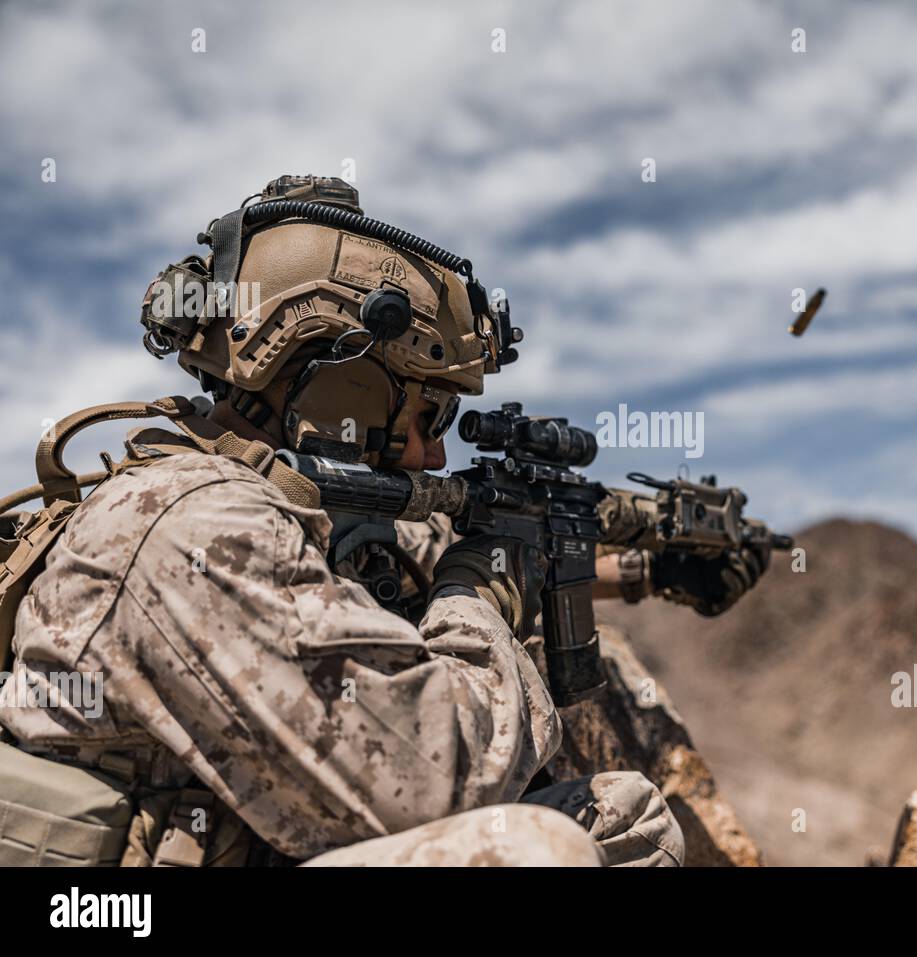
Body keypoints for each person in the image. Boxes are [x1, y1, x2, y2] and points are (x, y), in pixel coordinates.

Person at [0, 176, 765, 867]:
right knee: (540, 851)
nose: (435, 451)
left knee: (625, 822)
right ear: (346, 384)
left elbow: (439, 555)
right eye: (429, 411)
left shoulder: (289, 503)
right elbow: (435, 775)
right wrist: (482, 587)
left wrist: (650, 569)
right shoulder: (195, 526)